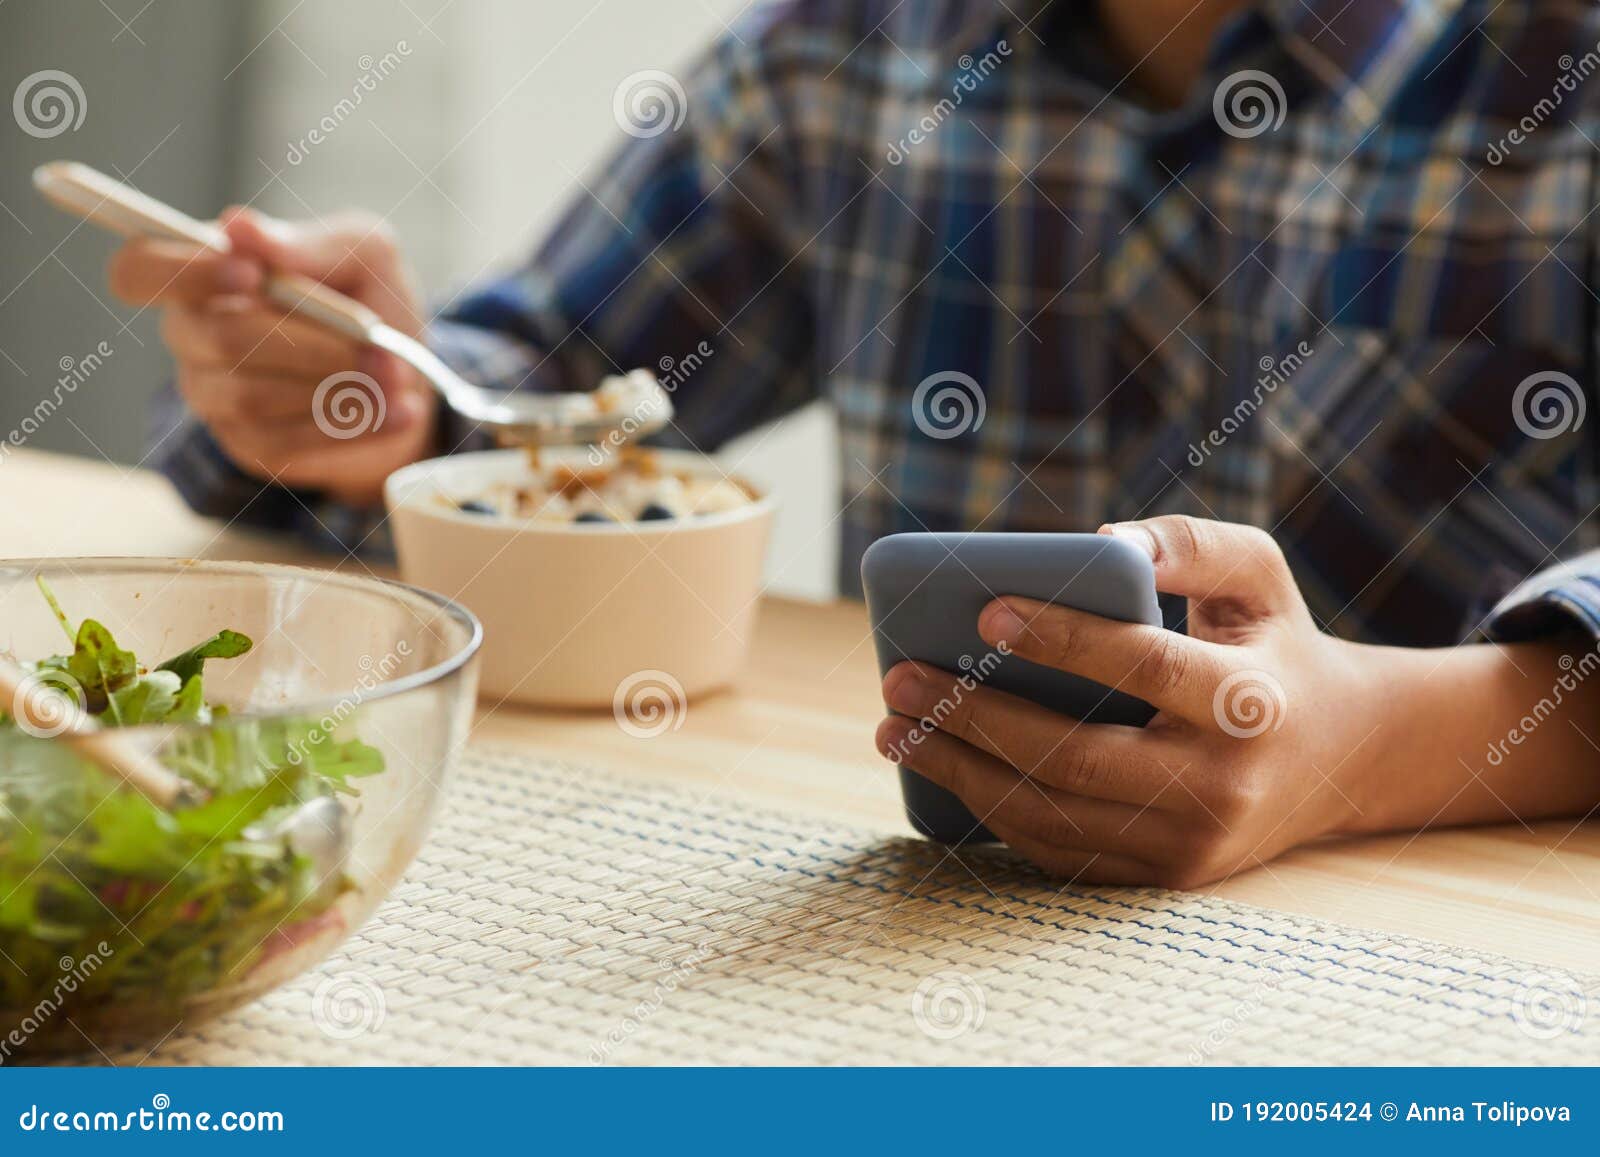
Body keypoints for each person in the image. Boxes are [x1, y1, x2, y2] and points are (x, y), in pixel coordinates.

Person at [106, 0, 1600, 887]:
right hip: (915, 912)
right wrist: (374, 410)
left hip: (1436, 949)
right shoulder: (847, 54)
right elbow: (544, 395)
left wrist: (1368, 745)